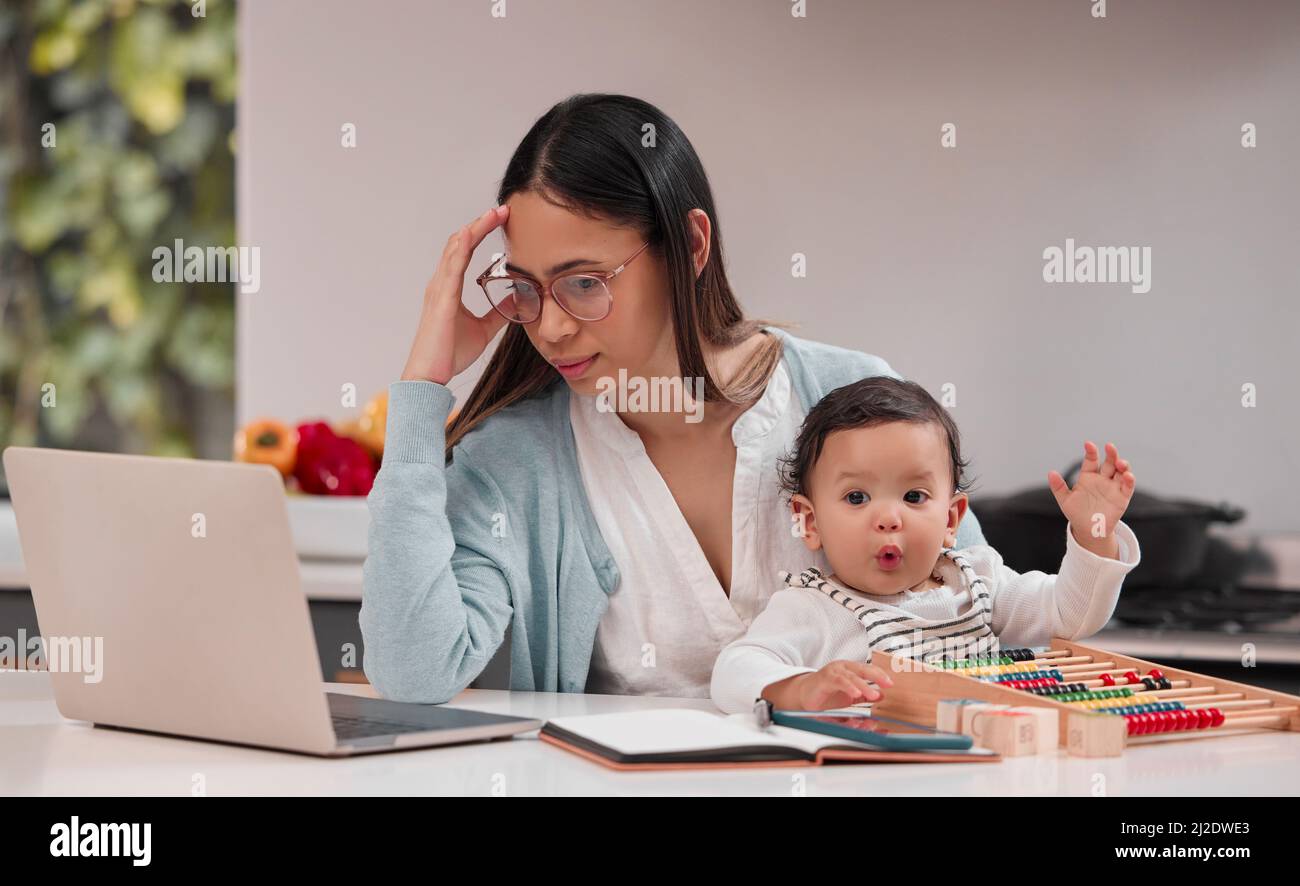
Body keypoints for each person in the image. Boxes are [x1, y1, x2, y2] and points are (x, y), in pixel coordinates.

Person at [360, 93, 987, 703]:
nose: (550, 328)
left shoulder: (851, 398)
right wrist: (423, 386)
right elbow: (413, 673)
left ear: (690, 246)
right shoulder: (516, 460)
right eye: (526, 287)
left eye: (585, 282)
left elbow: (982, 627)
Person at [709, 377, 1140, 714]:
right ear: (808, 521)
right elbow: (734, 669)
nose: (888, 518)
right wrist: (801, 687)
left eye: (913, 496)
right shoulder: (813, 609)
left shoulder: (978, 581)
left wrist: (1093, 533)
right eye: (857, 497)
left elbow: (1071, 614)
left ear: (951, 519)